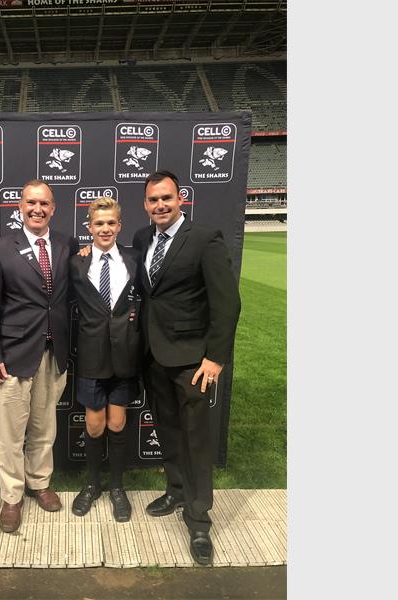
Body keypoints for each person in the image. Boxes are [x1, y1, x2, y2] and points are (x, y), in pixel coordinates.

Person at [132, 170, 241, 565]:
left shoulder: (204, 239)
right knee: (167, 430)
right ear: (145, 204)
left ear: (181, 199)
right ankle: (176, 490)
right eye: (153, 199)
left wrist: (215, 357)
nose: (160, 205)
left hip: (193, 360)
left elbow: (227, 303)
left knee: (195, 439)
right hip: (153, 356)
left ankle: (198, 520)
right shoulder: (142, 238)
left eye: (167, 198)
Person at [0, 179, 79, 533]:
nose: (38, 209)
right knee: (10, 433)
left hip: (54, 352)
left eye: (44, 203)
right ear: (20, 206)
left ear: (53, 208)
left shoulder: (68, 244)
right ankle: (11, 496)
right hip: (13, 354)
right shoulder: (0, 248)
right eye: (31, 203)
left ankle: (40, 482)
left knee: (44, 427)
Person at [68, 197, 141, 522]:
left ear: (119, 226)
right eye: (99, 223)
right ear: (90, 227)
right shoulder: (77, 263)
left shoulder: (134, 258)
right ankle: (92, 484)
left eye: (111, 223)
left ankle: (117, 487)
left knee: (117, 423)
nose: (106, 228)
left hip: (125, 354)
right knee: (95, 425)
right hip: (91, 356)